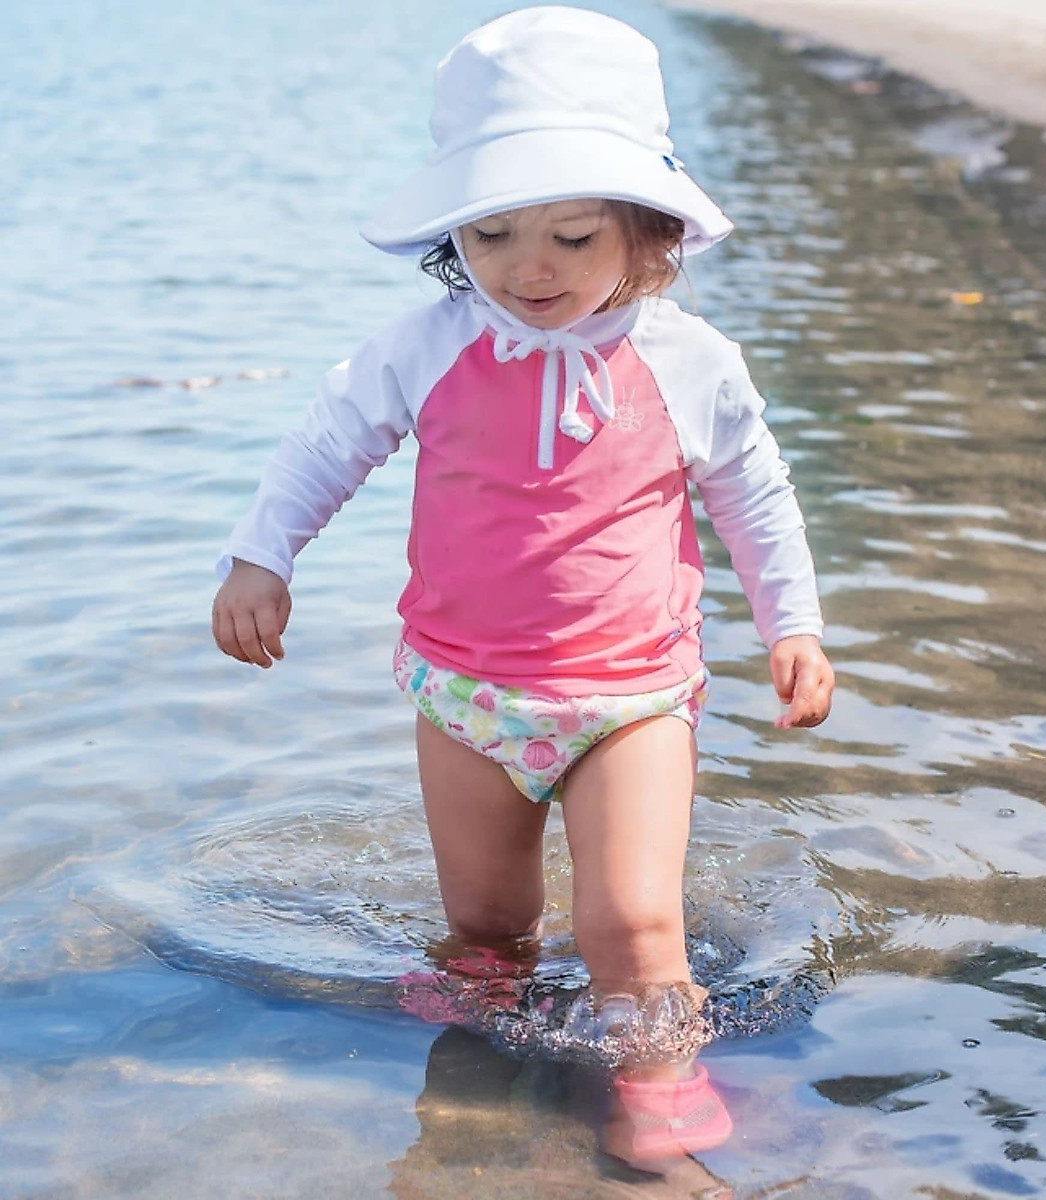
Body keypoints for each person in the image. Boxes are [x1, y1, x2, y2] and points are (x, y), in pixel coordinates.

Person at [211, 5, 833, 1162]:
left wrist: (790, 622)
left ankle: (659, 1076)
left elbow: (754, 491)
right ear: (456, 232)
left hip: (632, 696)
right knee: (486, 927)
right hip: (465, 694)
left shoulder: (688, 359)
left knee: (635, 919)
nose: (528, 268)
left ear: (648, 236)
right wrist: (262, 555)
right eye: (493, 234)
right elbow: (324, 444)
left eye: (573, 237)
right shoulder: (426, 345)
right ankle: (484, 1088)